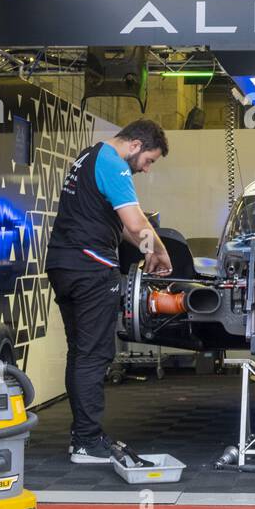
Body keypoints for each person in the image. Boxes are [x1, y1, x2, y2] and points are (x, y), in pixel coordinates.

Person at [45, 119, 173, 464]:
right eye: (149, 161)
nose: (146, 169)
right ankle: (87, 441)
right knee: (96, 354)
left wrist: (147, 250)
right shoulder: (115, 165)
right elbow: (136, 224)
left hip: (63, 264)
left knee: (80, 352)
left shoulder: (89, 157)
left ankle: (82, 437)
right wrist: (159, 251)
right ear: (135, 146)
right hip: (90, 269)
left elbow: (122, 228)